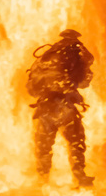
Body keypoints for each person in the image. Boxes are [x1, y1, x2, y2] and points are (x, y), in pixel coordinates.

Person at [28, 28, 95, 187]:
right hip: (65, 106)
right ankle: (79, 176)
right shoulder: (75, 56)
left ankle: (42, 180)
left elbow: (31, 88)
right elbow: (85, 82)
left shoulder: (44, 57)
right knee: (75, 141)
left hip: (45, 107)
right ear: (74, 40)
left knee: (44, 145)